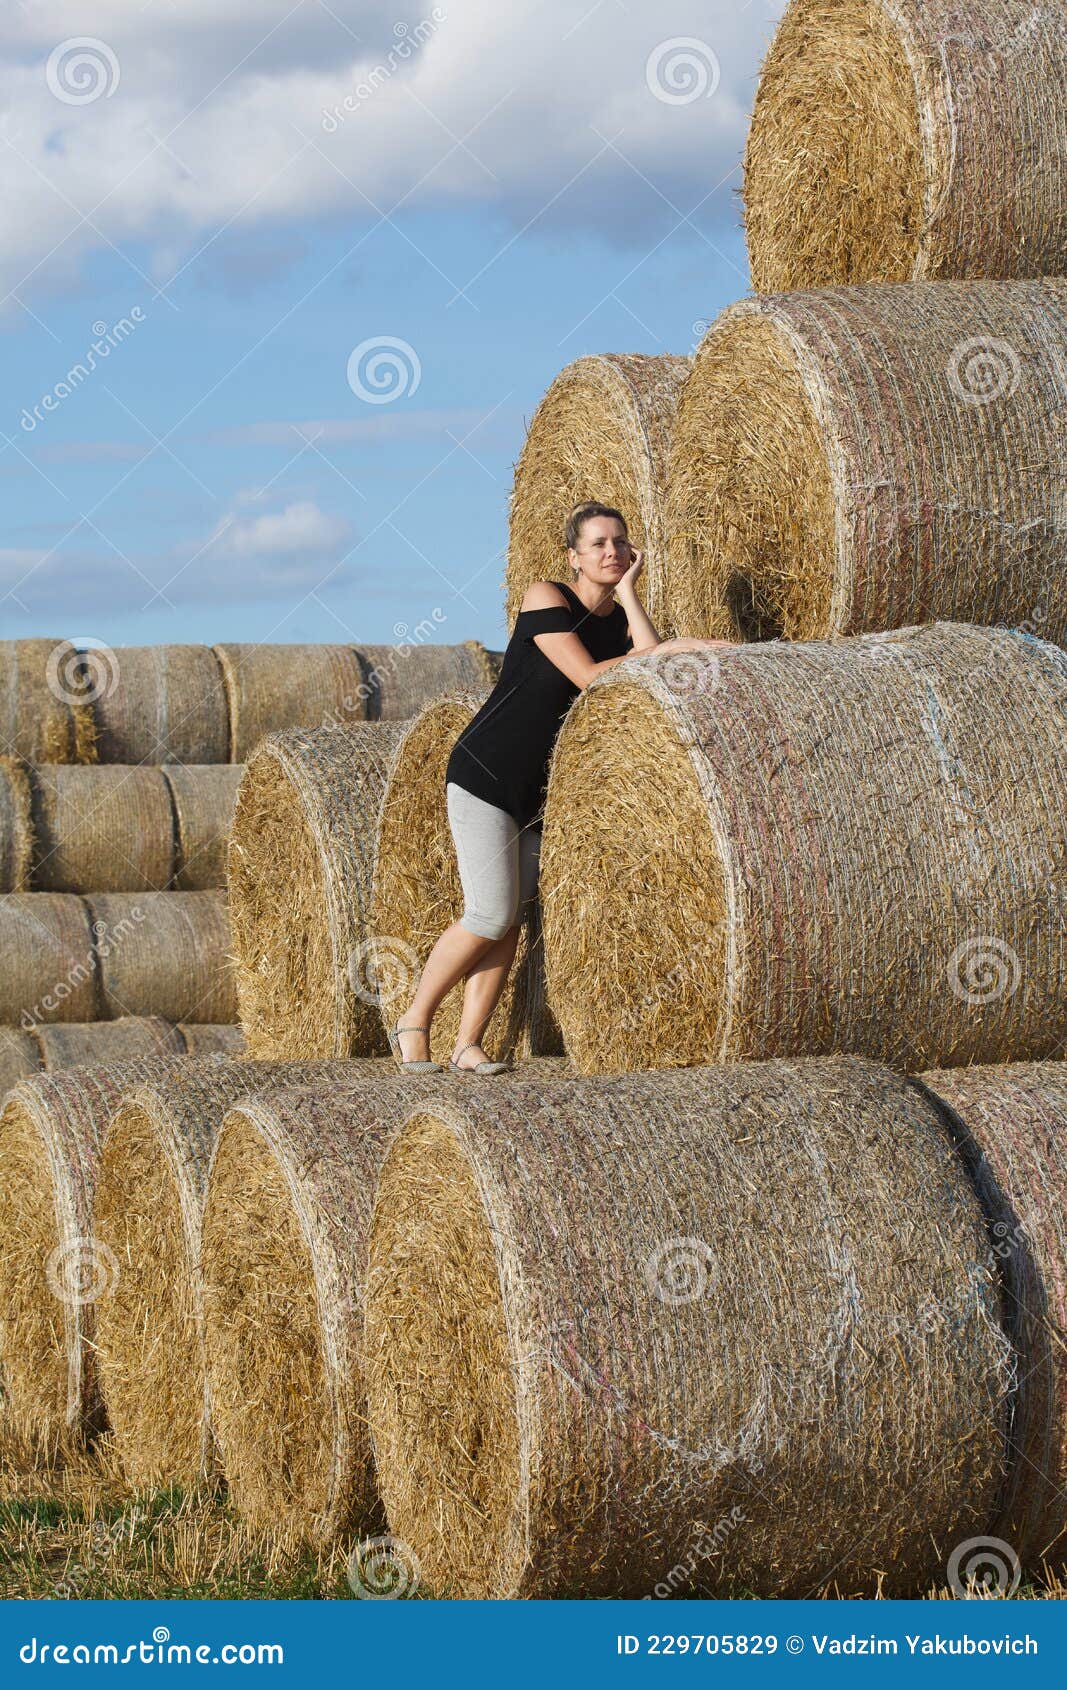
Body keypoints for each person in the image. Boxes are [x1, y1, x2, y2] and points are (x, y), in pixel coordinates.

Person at [388, 499, 734, 1074]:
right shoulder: (546, 598)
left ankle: (468, 1044)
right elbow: (593, 677)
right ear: (572, 555)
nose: (611, 551)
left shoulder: (620, 623)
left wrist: (630, 598)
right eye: (598, 543)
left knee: (511, 918)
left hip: (544, 792)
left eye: (621, 542)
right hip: (488, 772)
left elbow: (644, 675)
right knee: (488, 914)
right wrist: (666, 650)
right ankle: (414, 1021)